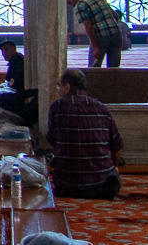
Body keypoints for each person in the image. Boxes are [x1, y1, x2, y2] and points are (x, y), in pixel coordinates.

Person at [46, 68, 123, 199]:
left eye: (60, 86)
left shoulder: (56, 107)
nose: (59, 90)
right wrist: (115, 166)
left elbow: (53, 143)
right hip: (100, 182)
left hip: (66, 184)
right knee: (113, 176)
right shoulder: (102, 108)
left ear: (67, 86)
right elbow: (117, 145)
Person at [68, 0, 126, 68]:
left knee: (94, 68)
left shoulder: (80, 6)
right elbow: (115, 15)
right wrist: (112, 28)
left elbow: (89, 26)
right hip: (116, 34)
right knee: (114, 68)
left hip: (100, 37)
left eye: (70, 2)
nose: (71, 5)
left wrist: (95, 47)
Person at [0, 40, 33, 122]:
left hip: (19, 98)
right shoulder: (14, 62)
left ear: (14, 49)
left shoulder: (19, 63)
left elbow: (15, 86)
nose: (4, 53)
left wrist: (0, 96)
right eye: (2, 51)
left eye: (7, 49)